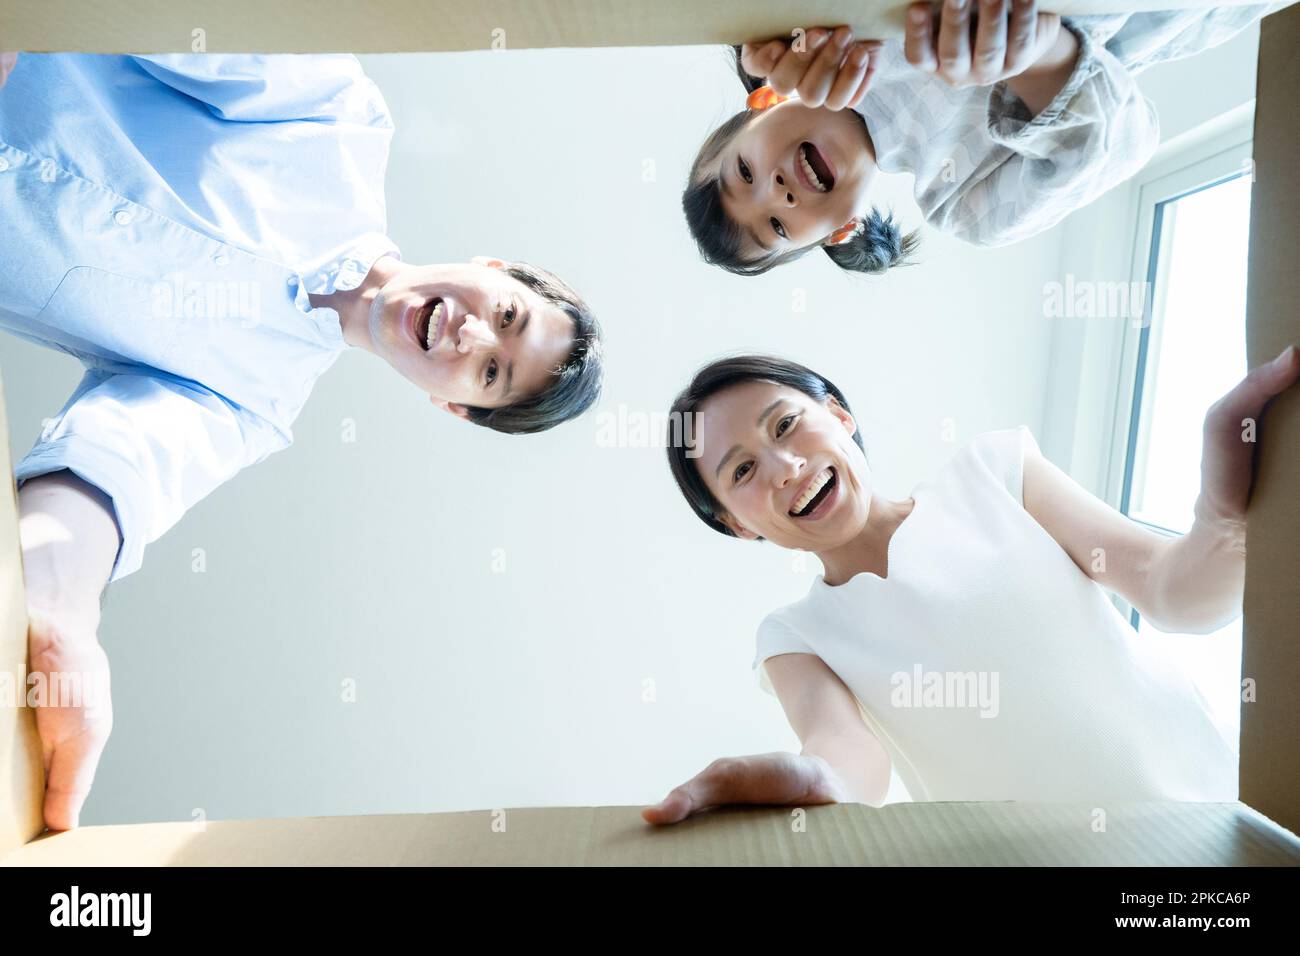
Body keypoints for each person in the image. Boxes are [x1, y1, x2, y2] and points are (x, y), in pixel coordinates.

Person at [0, 52, 603, 829]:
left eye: (491, 371)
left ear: (451, 406)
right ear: (495, 267)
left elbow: (108, 472)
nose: (472, 332)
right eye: (509, 313)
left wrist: (57, 608)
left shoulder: (252, 405)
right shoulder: (337, 116)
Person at [644, 347, 1298, 824]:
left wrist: (1222, 516)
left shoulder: (996, 472)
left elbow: (1175, 594)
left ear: (839, 415)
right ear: (738, 525)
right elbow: (849, 765)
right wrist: (793, 778)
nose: (785, 468)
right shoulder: (794, 635)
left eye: (785, 425)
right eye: (743, 471)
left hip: (1218, 819)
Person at [682, 0, 1278, 277]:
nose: (778, 191)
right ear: (841, 231)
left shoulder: (805, 24)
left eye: (745, 174)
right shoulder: (963, 203)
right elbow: (1112, 143)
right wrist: (1033, 54)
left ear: (764, 100)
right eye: (777, 228)